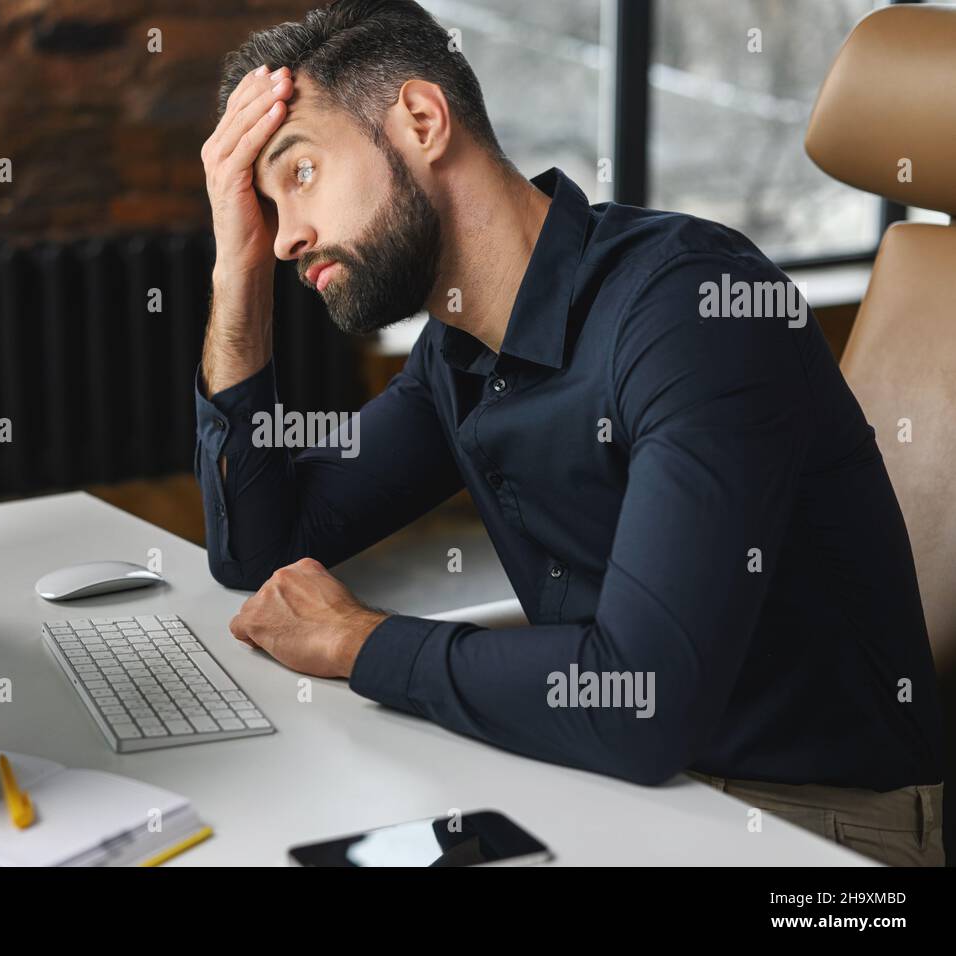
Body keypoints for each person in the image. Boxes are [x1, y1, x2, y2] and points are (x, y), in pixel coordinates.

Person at [193, 0, 943, 865]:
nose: (285, 236)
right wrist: (235, 270)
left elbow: (643, 703)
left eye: (299, 175)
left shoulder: (694, 310)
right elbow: (258, 547)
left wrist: (362, 641)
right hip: (607, 780)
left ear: (422, 121)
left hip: (818, 835)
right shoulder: (460, 350)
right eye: (264, 210)